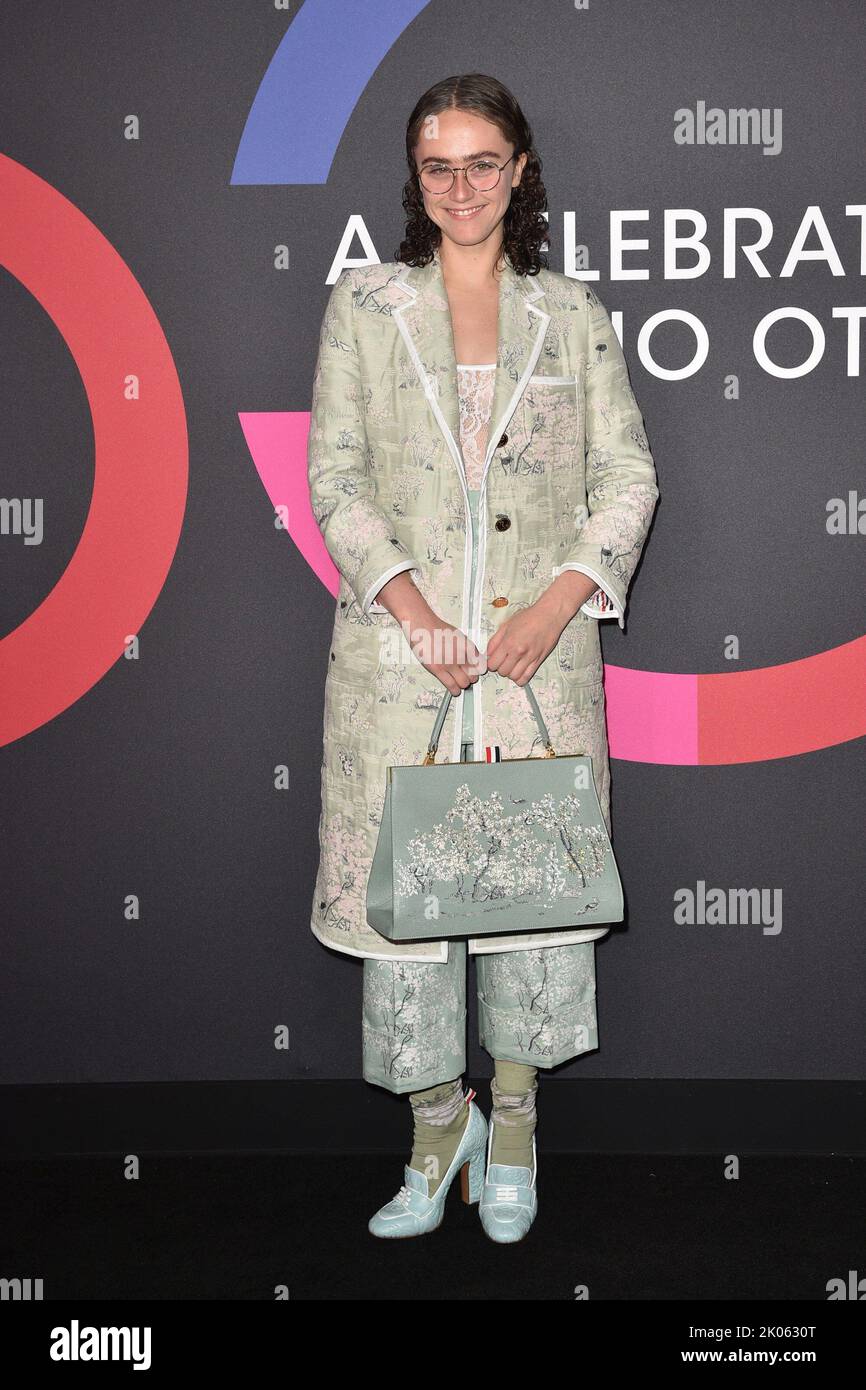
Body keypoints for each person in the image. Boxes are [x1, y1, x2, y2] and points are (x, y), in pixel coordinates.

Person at [306, 73, 659, 1241]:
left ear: (518, 170)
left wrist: (557, 603)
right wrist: (412, 611)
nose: (459, 185)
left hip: (530, 669)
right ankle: (429, 1132)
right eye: (435, 164)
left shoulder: (572, 312)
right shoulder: (364, 308)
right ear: (415, 179)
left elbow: (625, 481)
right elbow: (336, 482)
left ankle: (510, 1127)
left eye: (480, 161)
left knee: (529, 906)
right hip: (400, 669)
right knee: (405, 915)